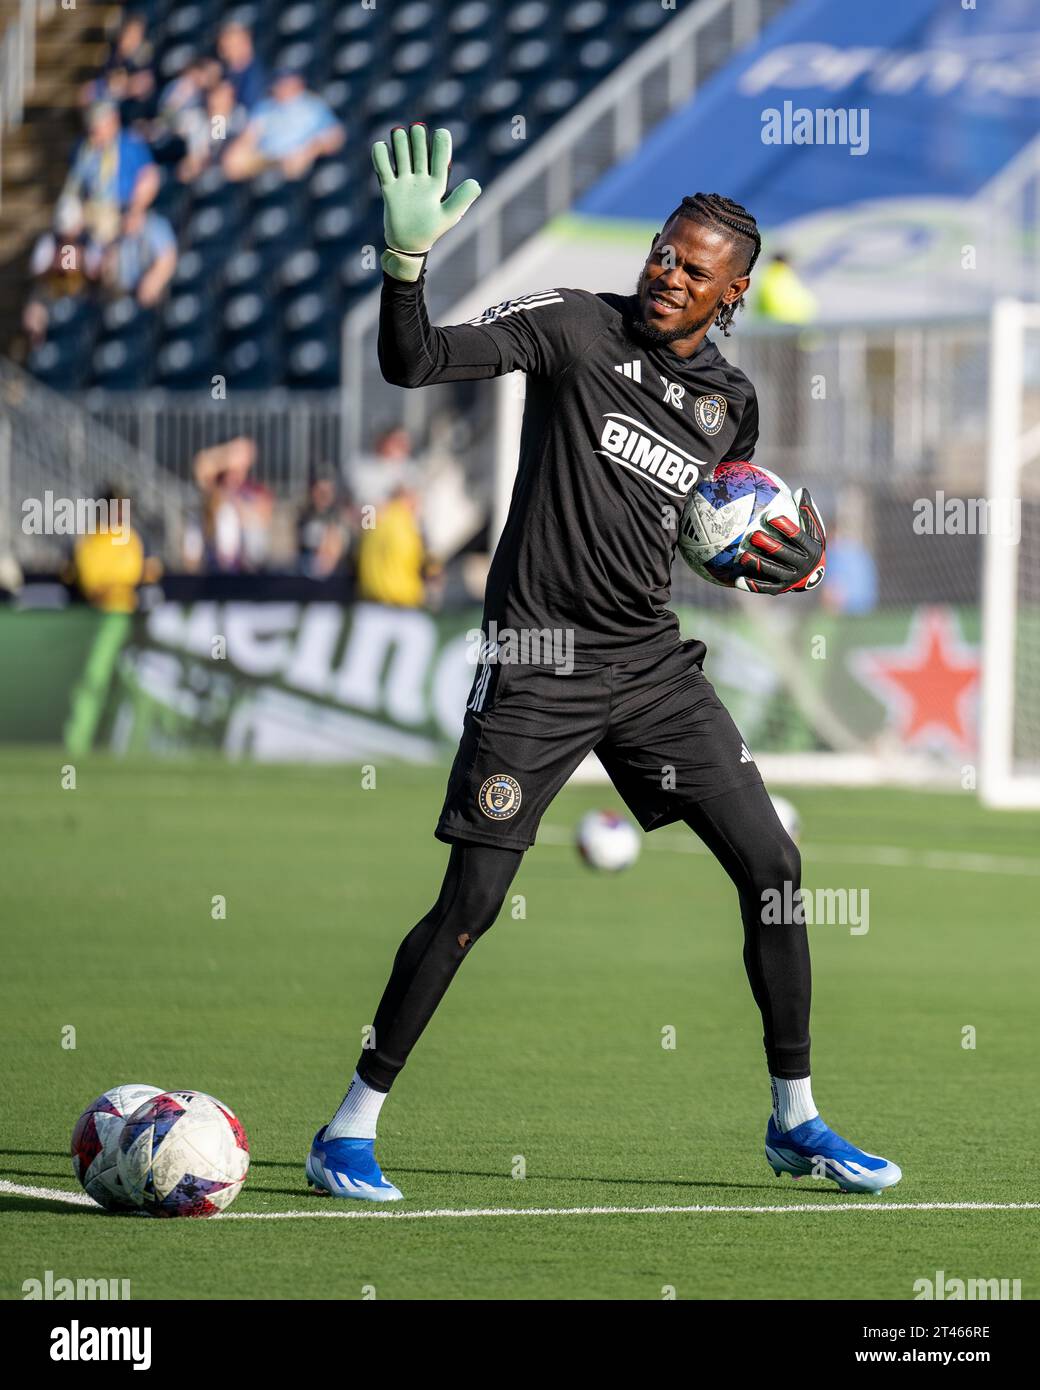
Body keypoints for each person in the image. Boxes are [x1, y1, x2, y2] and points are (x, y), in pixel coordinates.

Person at [306, 125, 899, 1205]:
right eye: (662, 252)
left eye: (692, 266)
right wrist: (403, 270)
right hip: (538, 666)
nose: (665, 272)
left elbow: (707, 529)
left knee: (772, 868)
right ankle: (347, 1126)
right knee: (471, 901)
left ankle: (795, 1119)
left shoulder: (730, 404)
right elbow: (417, 360)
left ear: (732, 293)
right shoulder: (575, 328)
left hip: (650, 669)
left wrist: (776, 564)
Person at [63, 101, 159, 247]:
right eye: (92, 129)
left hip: (121, 209)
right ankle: (69, 267)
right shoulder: (84, 149)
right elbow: (75, 182)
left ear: (113, 122)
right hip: (90, 207)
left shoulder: (131, 144)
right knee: (65, 218)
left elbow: (150, 178)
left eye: (97, 129)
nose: (94, 135)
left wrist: (136, 210)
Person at [224, 68, 343, 182]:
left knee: (292, 166)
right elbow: (247, 136)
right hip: (266, 157)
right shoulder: (263, 107)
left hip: (295, 157)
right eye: (280, 83)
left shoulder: (312, 106)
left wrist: (309, 151)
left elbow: (335, 135)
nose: (282, 87)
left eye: (287, 83)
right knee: (232, 162)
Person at [22, 196, 102, 348]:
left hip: (83, 297)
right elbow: (35, 271)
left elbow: (97, 273)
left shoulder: (90, 242)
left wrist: (81, 261)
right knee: (33, 315)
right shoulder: (49, 241)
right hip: (52, 296)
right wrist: (55, 265)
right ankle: (41, 355)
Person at [105, 206, 177, 306]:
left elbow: (167, 258)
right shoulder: (120, 233)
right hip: (110, 218)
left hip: (94, 256)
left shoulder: (154, 227)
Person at [217, 17, 267, 115]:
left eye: (231, 46)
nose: (224, 53)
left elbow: (255, 117)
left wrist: (221, 110)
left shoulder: (258, 75)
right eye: (223, 48)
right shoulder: (222, 72)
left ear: (247, 44)